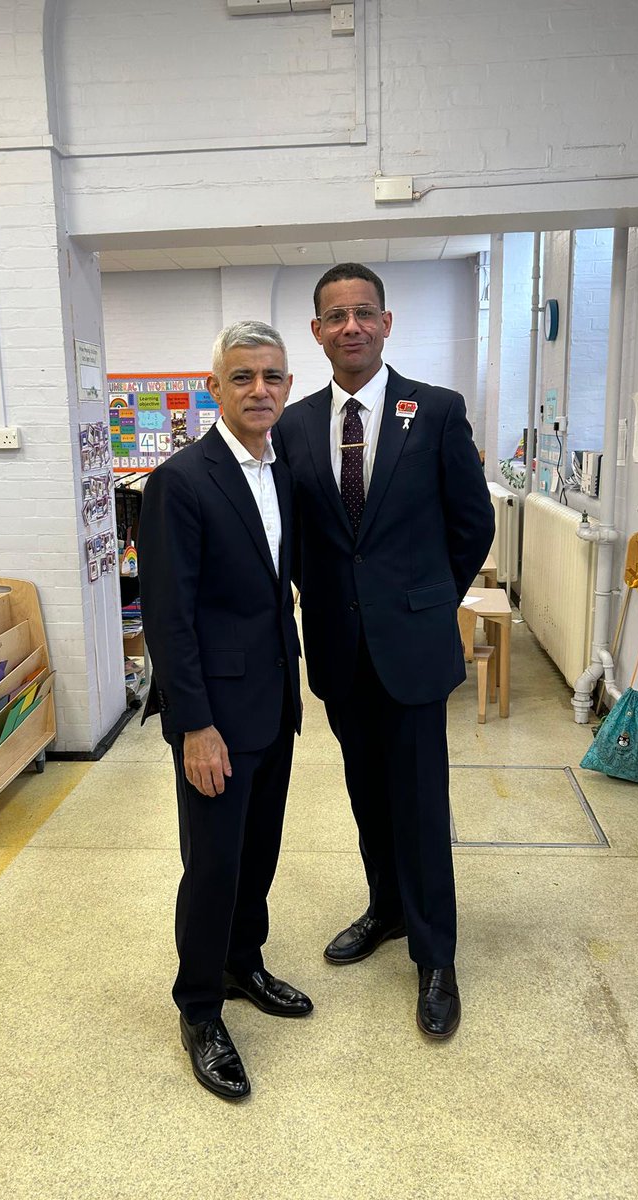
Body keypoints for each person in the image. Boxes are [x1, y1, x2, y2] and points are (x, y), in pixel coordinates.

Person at [272, 264, 495, 1040]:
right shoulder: (296, 426)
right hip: (339, 647)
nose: (352, 327)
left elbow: (472, 523)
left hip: (413, 646)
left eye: (364, 313)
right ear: (317, 331)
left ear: (386, 323)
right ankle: (387, 909)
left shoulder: (434, 411)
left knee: (420, 804)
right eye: (336, 316)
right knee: (366, 793)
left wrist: (426, 597)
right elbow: (297, 539)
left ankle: (436, 957)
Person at [139, 321, 311, 1101]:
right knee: (212, 865)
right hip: (216, 717)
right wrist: (194, 726)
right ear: (215, 388)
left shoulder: (282, 472)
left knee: (258, 853)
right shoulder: (182, 481)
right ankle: (200, 1008)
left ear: (288, 386)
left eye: (272, 377)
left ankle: (244, 963)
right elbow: (167, 617)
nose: (259, 390)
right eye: (242, 377)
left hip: (273, 701)